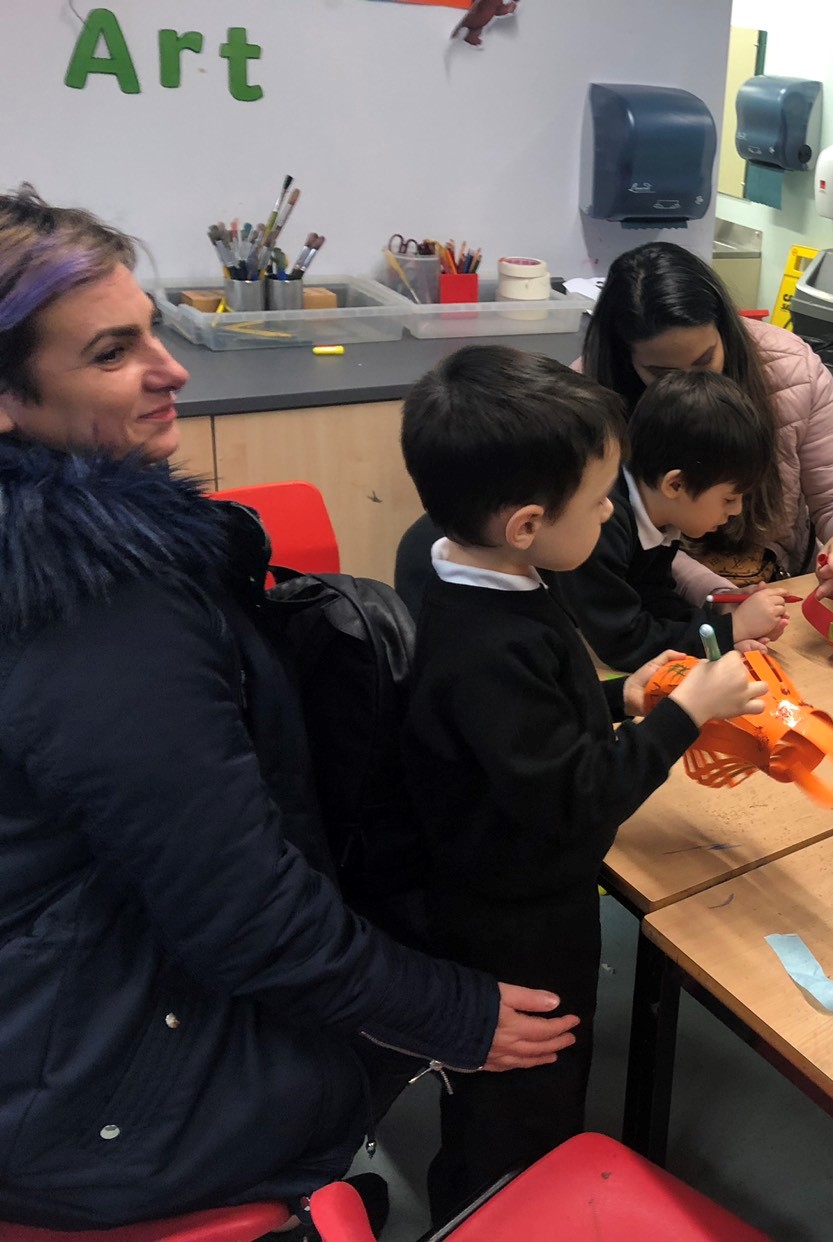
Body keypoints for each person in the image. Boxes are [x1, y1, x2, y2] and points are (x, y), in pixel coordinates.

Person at [0, 186, 575, 1230]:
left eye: (151, 331)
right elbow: (249, 917)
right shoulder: (93, 606)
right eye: (112, 352)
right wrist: (455, 1014)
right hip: (104, 1104)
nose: (172, 367)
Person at [397, 345, 766, 1217]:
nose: (611, 512)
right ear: (527, 522)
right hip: (511, 917)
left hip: (502, 882)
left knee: (521, 1090)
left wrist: (617, 694)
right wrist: (683, 717)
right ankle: (498, 1209)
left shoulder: (479, 571)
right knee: (521, 1100)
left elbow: (525, 730)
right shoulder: (488, 639)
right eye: (601, 498)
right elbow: (574, 799)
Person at [580, 241, 833, 593]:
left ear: (724, 329)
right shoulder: (589, 398)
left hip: (781, 584)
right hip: (658, 601)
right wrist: (721, 598)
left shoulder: (792, 370)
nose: (690, 382)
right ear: (626, 359)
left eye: (704, 360)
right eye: (662, 373)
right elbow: (615, 535)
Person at [563, 368, 791, 671]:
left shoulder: (659, 512)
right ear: (676, 485)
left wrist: (719, 628)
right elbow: (623, 642)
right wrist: (733, 629)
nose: (736, 510)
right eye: (729, 498)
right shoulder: (603, 522)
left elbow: (653, 599)